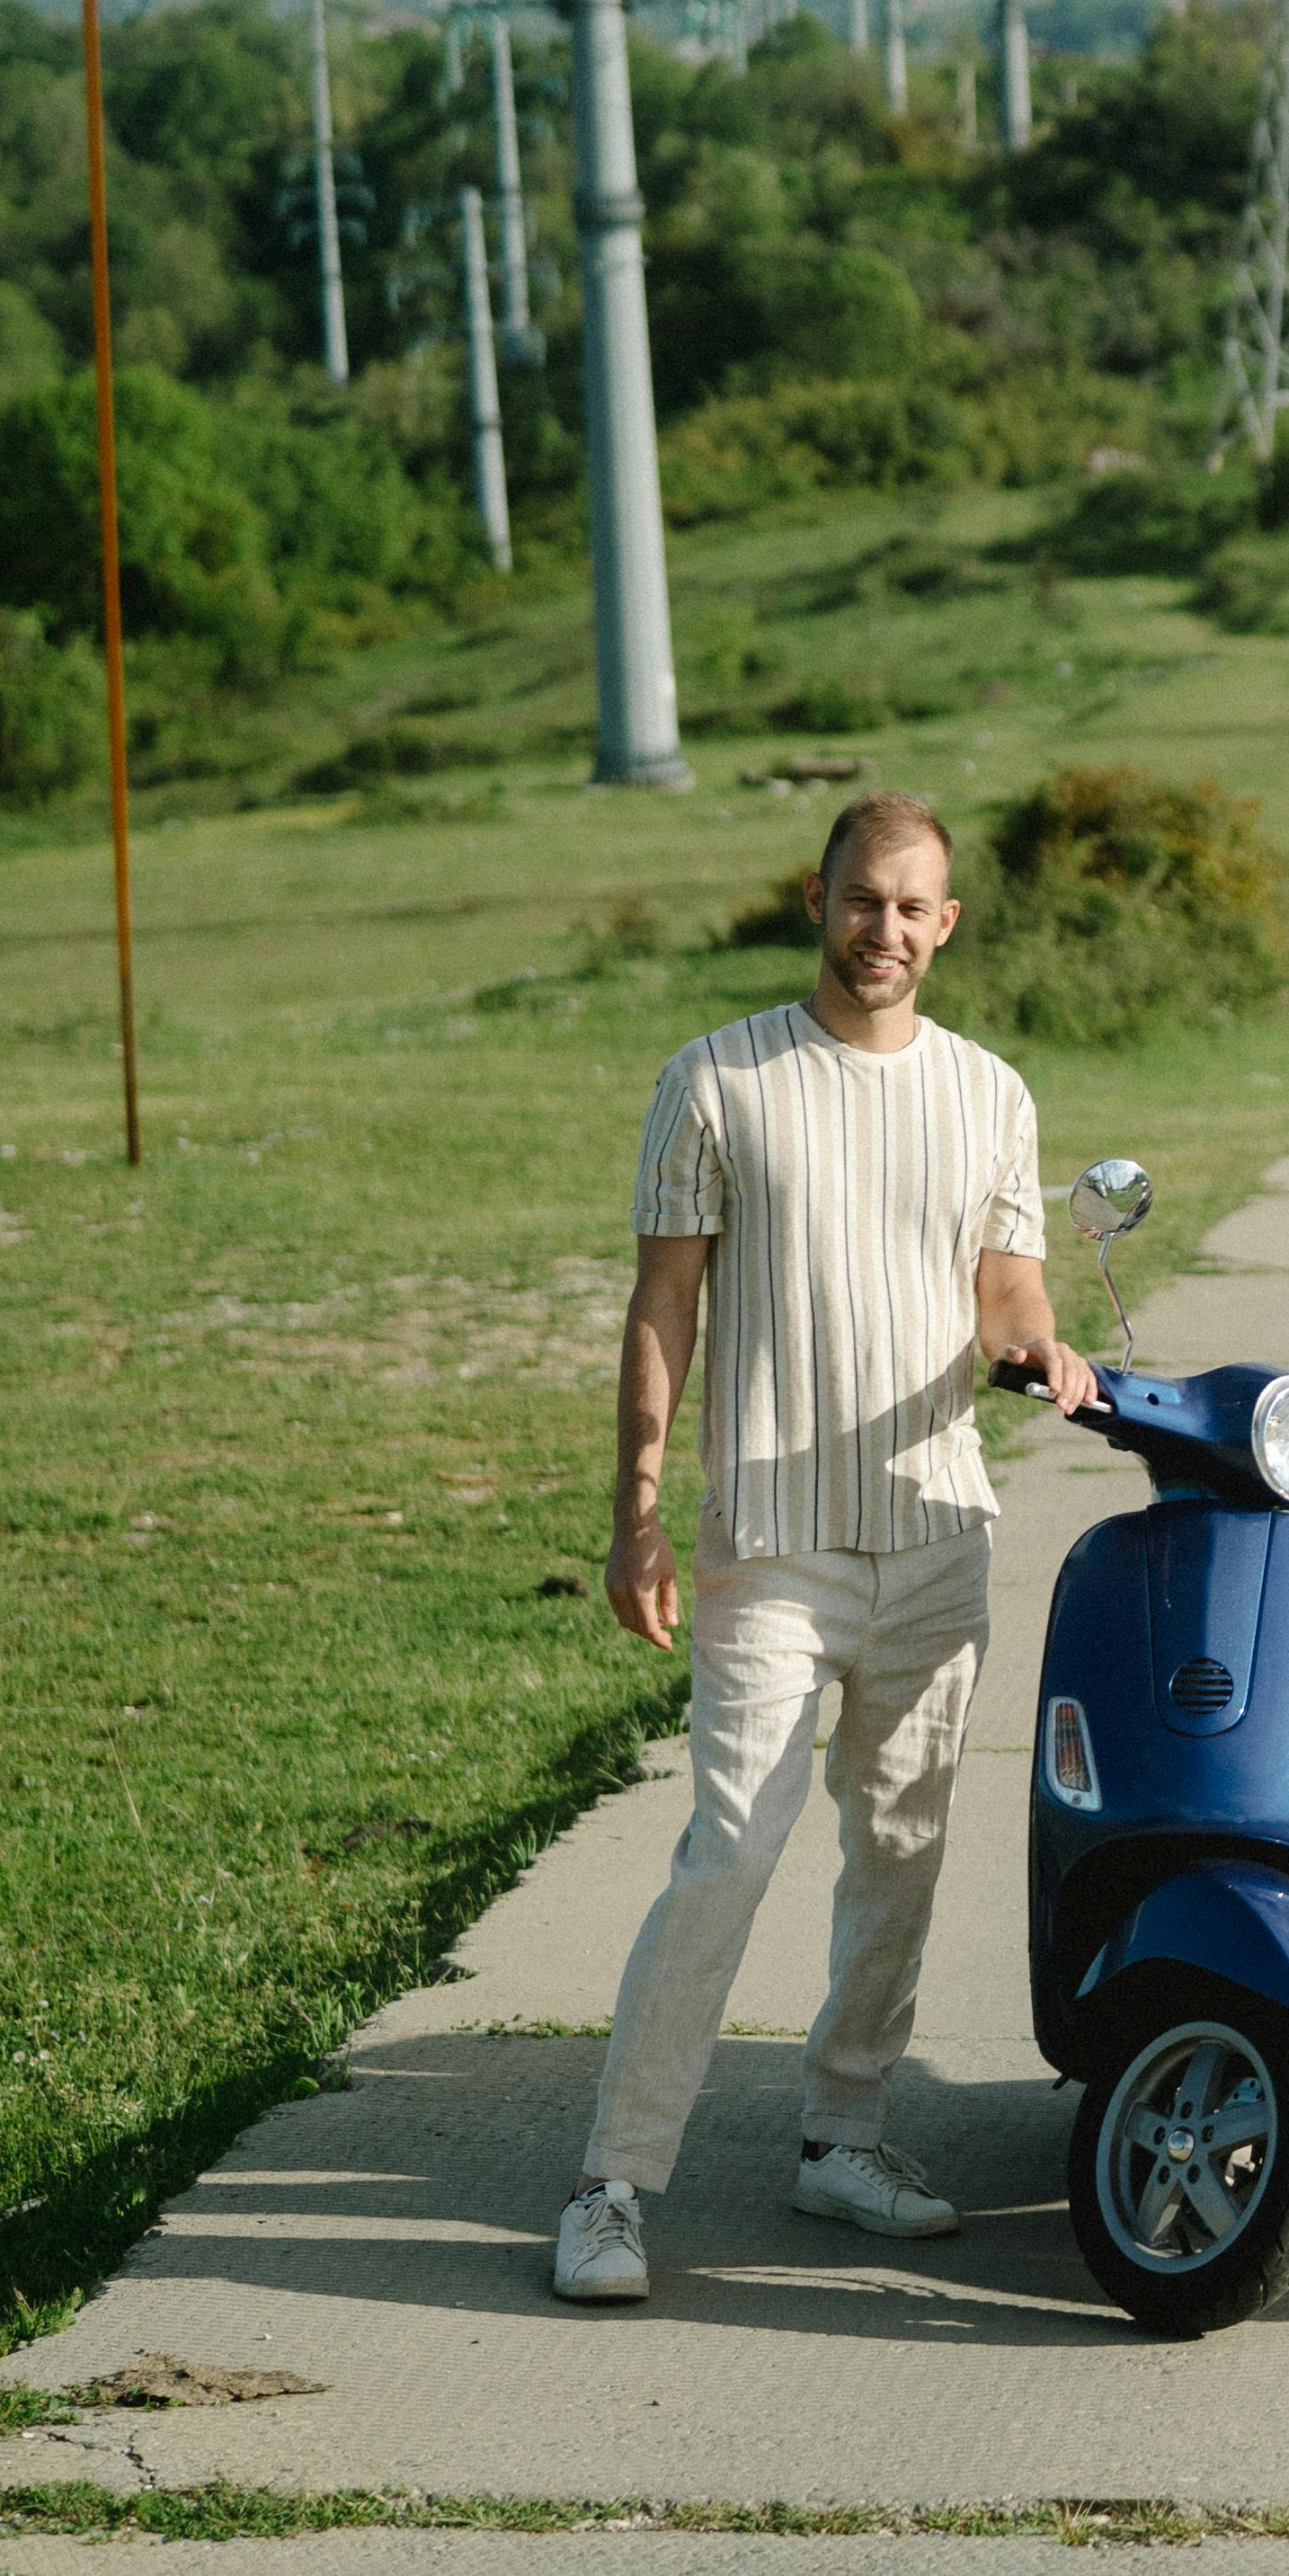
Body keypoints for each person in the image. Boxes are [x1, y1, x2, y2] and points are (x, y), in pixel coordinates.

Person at [551, 790, 1098, 2307]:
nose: (888, 933)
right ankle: (612, 2183)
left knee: (905, 1854)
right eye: (865, 901)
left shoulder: (992, 1093)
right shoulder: (715, 1082)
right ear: (820, 897)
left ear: (950, 923)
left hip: (935, 1537)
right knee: (727, 1850)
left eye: (916, 908)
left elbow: (1005, 1293)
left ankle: (844, 2137)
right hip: (771, 1550)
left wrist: (1047, 1351)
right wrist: (637, 1512)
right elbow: (664, 1310)